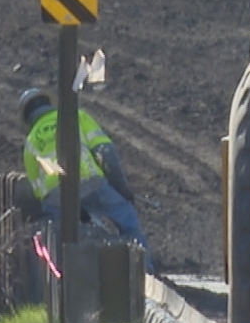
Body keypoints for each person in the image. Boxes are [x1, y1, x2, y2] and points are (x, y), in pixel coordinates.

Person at [18, 88, 153, 266]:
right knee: (126, 218)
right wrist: (121, 188)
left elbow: (37, 188)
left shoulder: (30, 143)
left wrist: (70, 208)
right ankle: (145, 271)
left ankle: (63, 277)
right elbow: (105, 152)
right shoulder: (77, 117)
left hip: (56, 196)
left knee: (57, 237)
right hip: (90, 181)